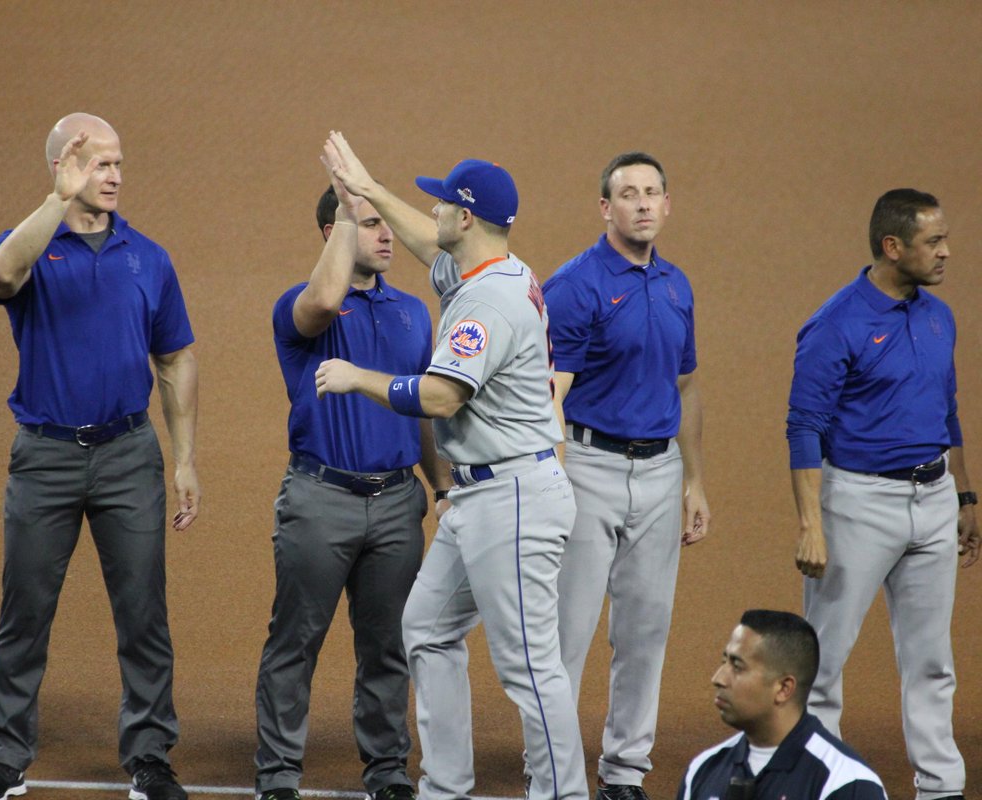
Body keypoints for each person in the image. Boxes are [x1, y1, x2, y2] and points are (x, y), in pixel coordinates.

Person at [316, 132, 586, 800]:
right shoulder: (491, 269)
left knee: (529, 668)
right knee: (428, 629)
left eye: (441, 203)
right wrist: (370, 189)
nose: (429, 210)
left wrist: (358, 378)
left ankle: (564, 795)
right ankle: (445, 788)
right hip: (483, 496)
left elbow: (439, 395)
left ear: (465, 218)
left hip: (514, 497)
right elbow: (422, 241)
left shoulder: (487, 303)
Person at [0, 113, 200, 800]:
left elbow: (176, 356)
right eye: (99, 164)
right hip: (46, 456)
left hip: (130, 454)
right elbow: (2, 275)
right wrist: (56, 202)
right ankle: (6, 755)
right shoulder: (33, 248)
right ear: (63, 169)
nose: (116, 175)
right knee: (26, 609)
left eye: (118, 163)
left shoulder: (146, 256)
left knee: (142, 612)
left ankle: (150, 755)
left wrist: (183, 457)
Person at [253, 159, 449, 800]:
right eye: (370, 224)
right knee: (295, 642)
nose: (387, 234)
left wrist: (441, 487)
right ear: (335, 234)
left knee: (388, 646)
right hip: (320, 501)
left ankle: (387, 772)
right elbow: (326, 299)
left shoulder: (413, 313)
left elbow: (419, 406)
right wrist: (345, 208)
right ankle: (278, 776)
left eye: (385, 222)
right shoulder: (301, 308)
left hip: (397, 503)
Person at [787, 188, 976, 800]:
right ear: (893, 248)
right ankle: (823, 785)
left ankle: (941, 788)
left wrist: (965, 496)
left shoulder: (936, 315)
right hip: (858, 506)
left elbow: (947, 411)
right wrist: (812, 523)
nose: (946, 252)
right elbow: (804, 426)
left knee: (931, 661)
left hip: (934, 498)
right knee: (823, 660)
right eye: (933, 242)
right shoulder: (837, 322)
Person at [541, 152, 710, 800]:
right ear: (605, 209)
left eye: (652, 193)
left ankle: (624, 773)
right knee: (568, 631)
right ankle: (553, 772)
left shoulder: (676, 286)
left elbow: (686, 386)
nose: (642, 203)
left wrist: (695, 480)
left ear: (667, 205)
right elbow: (548, 392)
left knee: (645, 630)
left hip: (661, 471)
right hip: (588, 466)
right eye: (628, 194)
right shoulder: (577, 285)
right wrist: (554, 477)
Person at [677, 610, 887, 800]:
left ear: (784, 689)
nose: (718, 678)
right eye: (724, 662)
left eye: (737, 666)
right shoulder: (702, 771)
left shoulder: (847, 785)